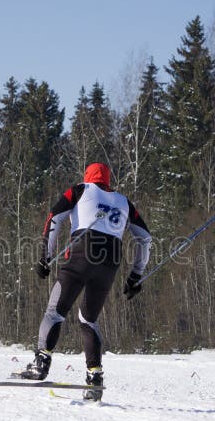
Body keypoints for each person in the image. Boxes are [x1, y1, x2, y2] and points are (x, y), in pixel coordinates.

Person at [20, 162, 152, 401]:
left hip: (82, 253)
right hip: (110, 261)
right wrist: (135, 275)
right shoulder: (124, 202)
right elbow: (145, 237)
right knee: (88, 319)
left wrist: (45, 257)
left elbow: (54, 218)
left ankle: (41, 362)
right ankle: (95, 378)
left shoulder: (80, 189)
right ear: (108, 179)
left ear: (88, 176)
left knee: (56, 311)